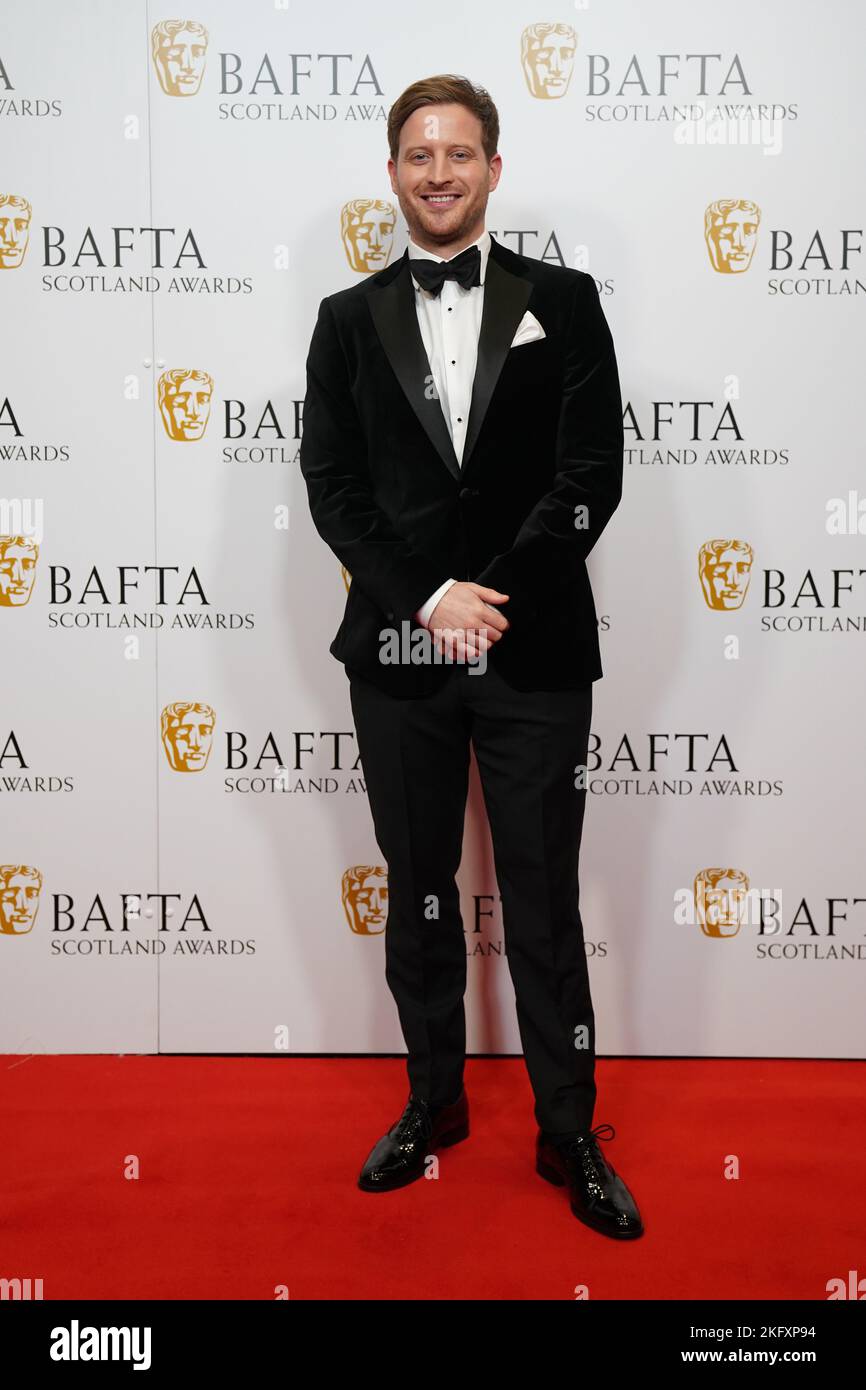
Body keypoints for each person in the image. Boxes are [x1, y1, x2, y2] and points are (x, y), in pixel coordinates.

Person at [299, 74, 642, 1239]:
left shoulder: (567, 299)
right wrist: (429, 597)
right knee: (420, 893)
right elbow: (335, 492)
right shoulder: (346, 321)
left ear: (493, 168)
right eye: (415, 154)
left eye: (457, 153)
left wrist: (491, 599)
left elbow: (590, 473)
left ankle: (566, 1133)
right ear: (390, 173)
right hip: (398, 650)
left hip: (533, 641)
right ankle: (432, 1104)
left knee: (542, 900)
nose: (436, 173)